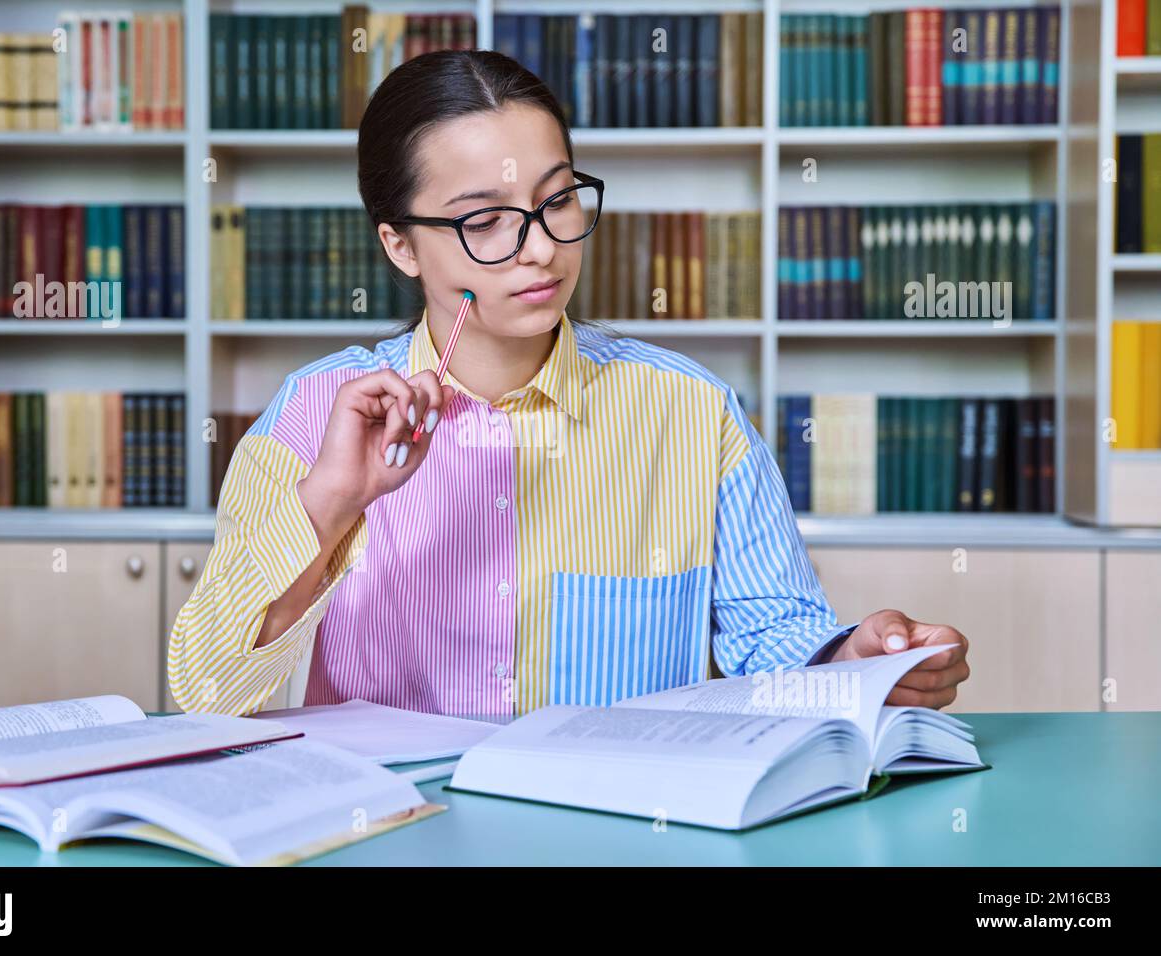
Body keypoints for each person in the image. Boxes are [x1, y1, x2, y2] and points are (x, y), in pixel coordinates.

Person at [168, 49, 970, 718]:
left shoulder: (690, 410)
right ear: (400, 246)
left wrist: (854, 660)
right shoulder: (310, 413)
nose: (541, 248)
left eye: (556, 202)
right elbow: (207, 690)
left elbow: (777, 638)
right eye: (484, 221)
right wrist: (331, 504)